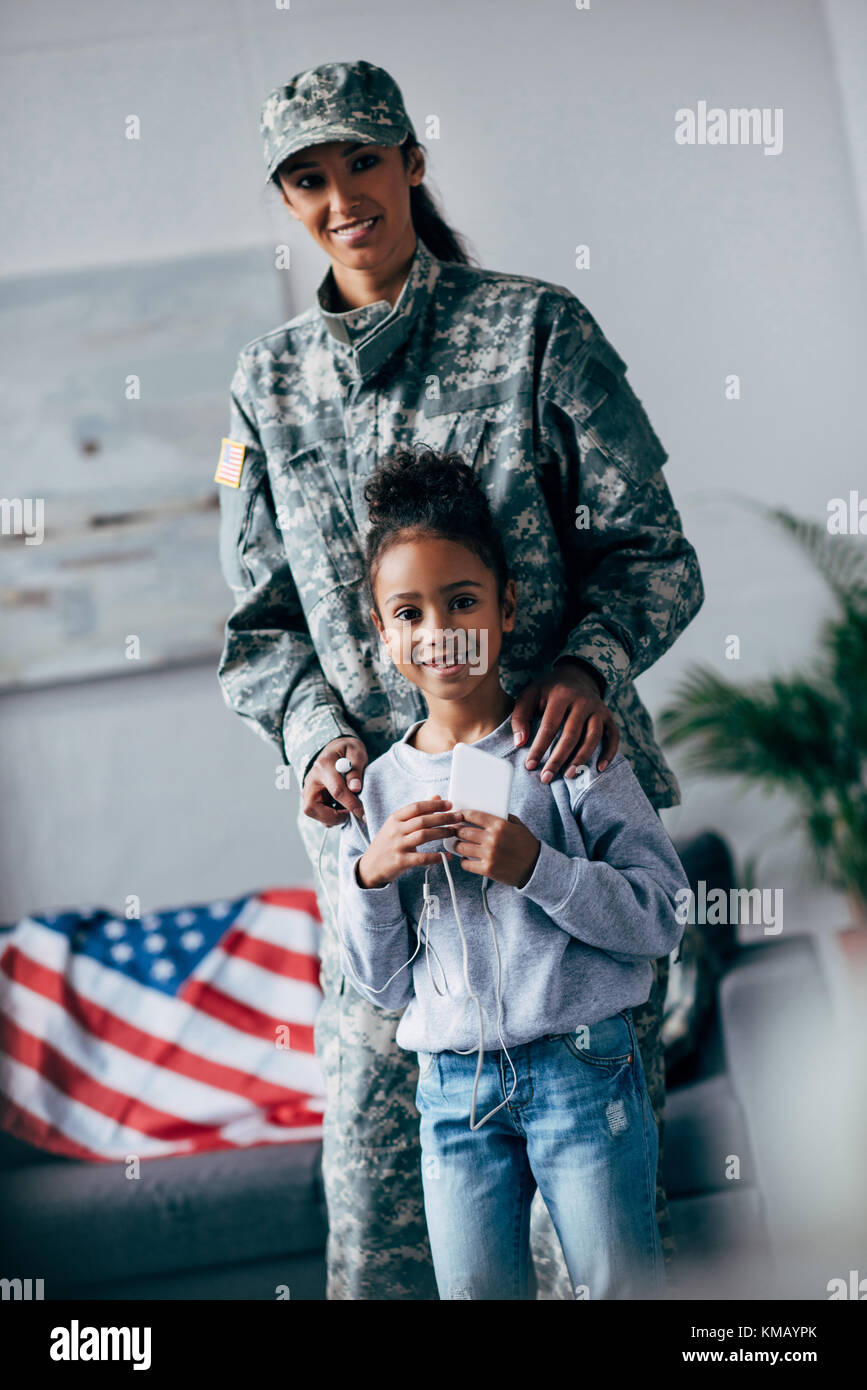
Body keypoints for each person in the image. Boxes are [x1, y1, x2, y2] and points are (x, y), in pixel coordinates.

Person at [216, 58, 704, 1300]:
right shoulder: (265, 388)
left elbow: (655, 552)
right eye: (307, 179)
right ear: (288, 200)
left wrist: (591, 664)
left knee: (597, 1251)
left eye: (362, 162)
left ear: (411, 163)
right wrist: (321, 738)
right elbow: (260, 630)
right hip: (388, 870)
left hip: (560, 828)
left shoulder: (539, 329)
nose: (341, 199)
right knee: (383, 1244)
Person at [335, 449, 689, 1300]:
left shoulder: (568, 750)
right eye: (409, 611)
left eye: (462, 601)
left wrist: (540, 870)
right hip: (452, 1094)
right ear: (384, 635)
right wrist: (369, 878)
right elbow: (382, 987)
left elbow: (662, 917)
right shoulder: (377, 788)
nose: (439, 630)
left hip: (583, 1071)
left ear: (506, 605)